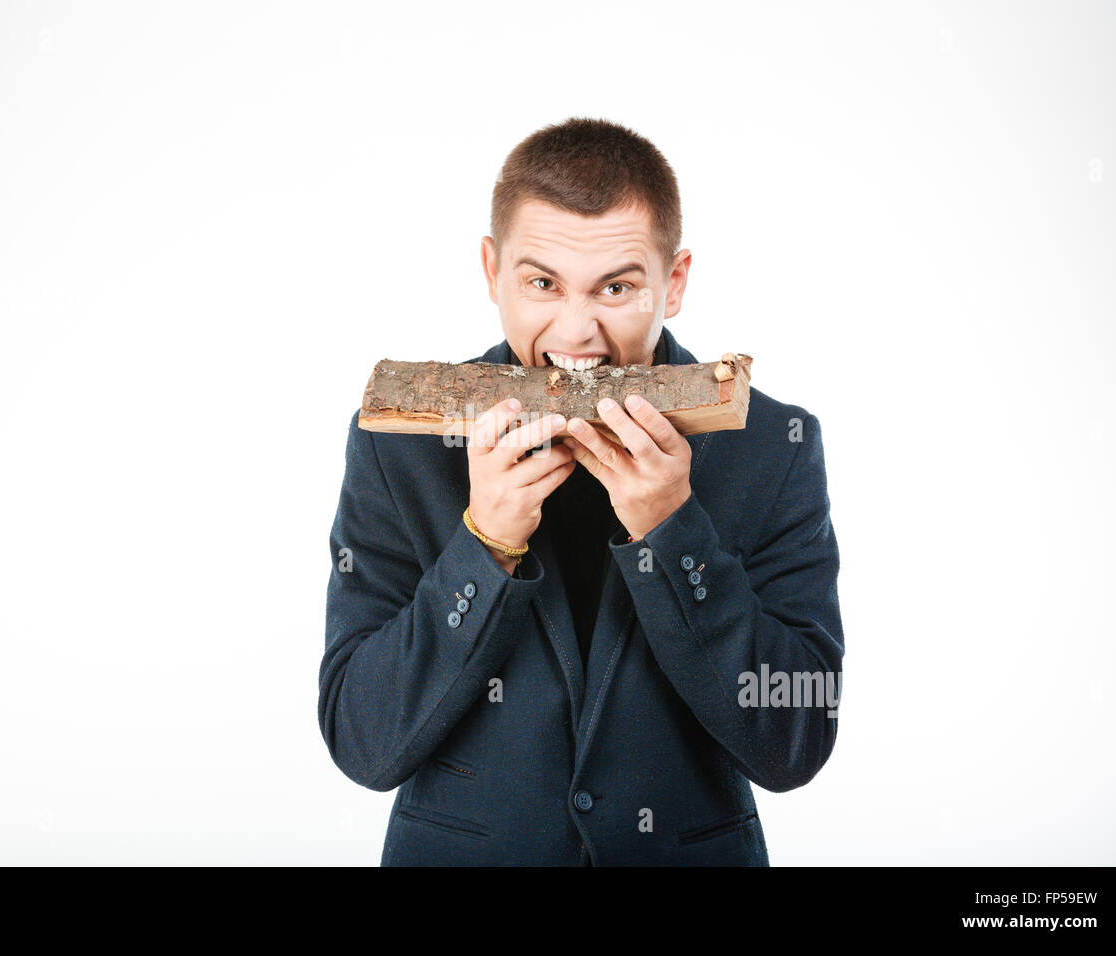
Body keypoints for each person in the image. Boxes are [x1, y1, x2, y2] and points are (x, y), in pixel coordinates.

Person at [319, 116, 844, 865]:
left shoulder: (775, 445)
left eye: (617, 287)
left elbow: (795, 743)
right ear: (491, 271)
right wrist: (484, 546)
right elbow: (362, 742)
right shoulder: (397, 444)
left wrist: (674, 532)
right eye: (542, 283)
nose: (577, 332)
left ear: (675, 282)